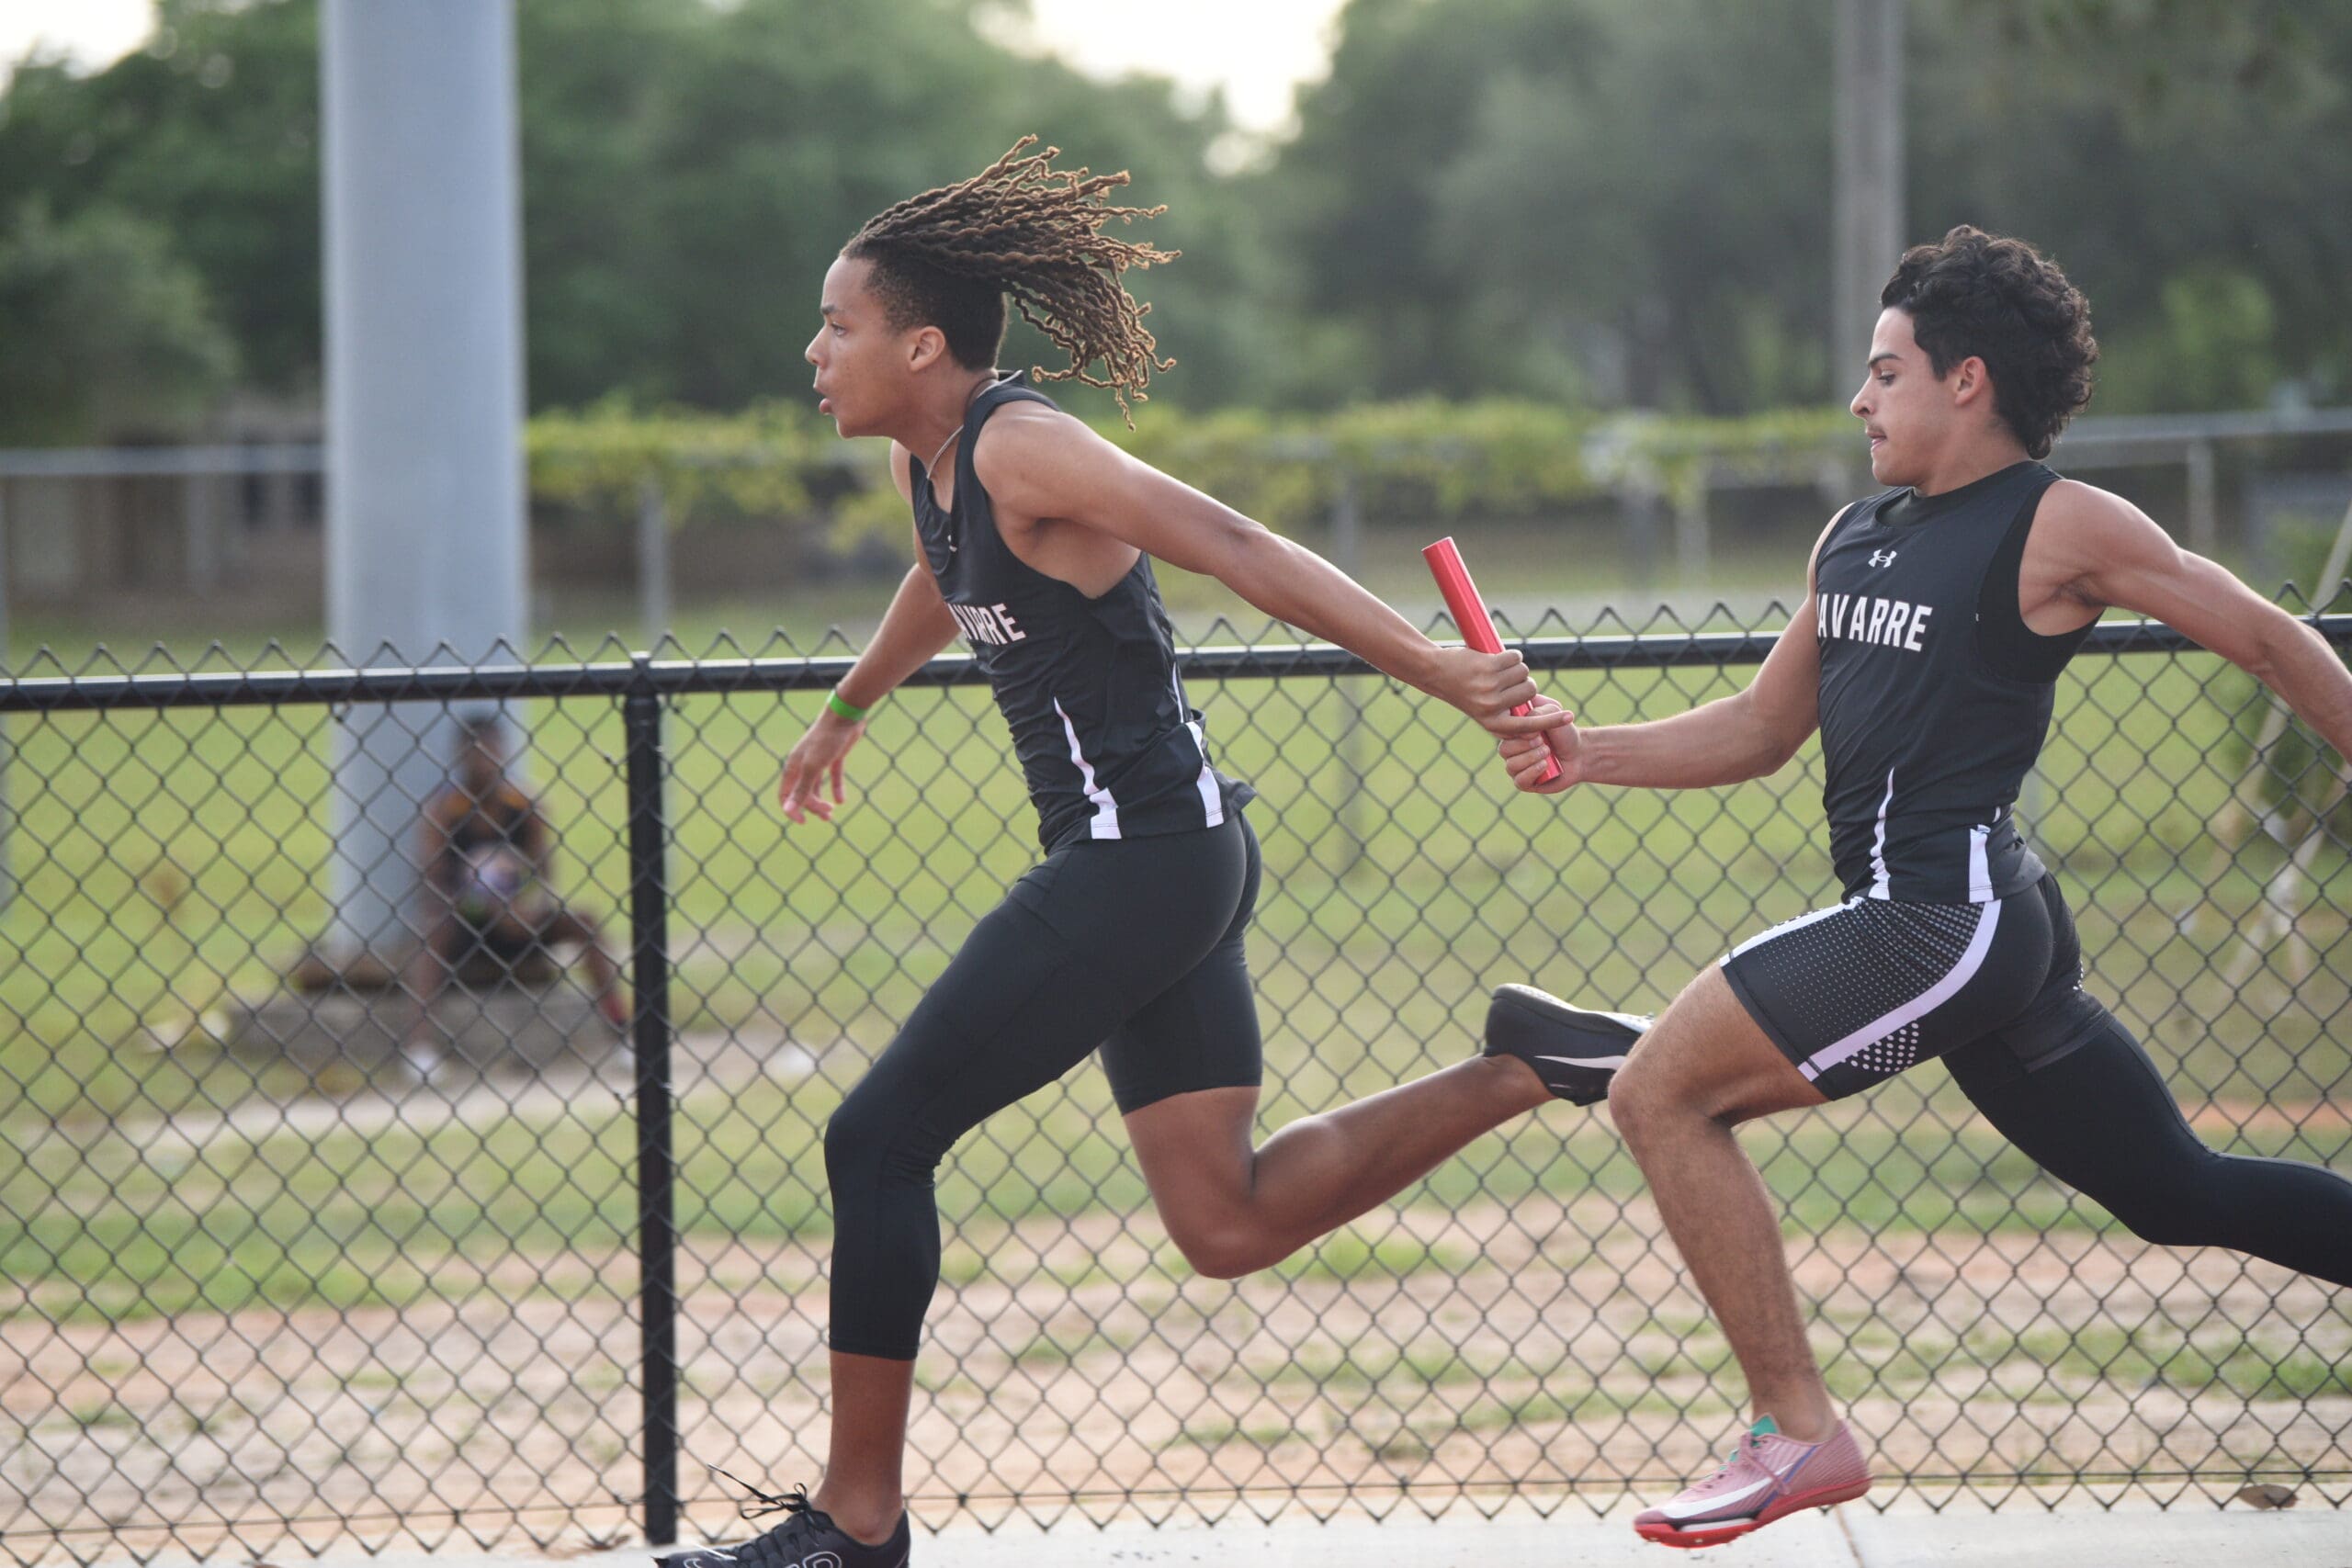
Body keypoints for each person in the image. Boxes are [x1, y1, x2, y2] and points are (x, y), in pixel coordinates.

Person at [651, 139, 1594, 1568]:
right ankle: (1522, 1062)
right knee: (1225, 1217)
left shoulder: (1021, 443)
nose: (813, 349)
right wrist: (847, 708)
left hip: (1136, 860)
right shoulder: (937, 466)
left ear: (920, 343)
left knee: (877, 1135)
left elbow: (1226, 537)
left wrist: (1434, 669)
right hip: (1178, 856)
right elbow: (940, 571)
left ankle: (858, 1522)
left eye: (836, 325)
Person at [1488, 226, 2352, 1550]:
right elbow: (1763, 730)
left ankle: (1795, 1429)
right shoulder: (1859, 533)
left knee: (1663, 1087)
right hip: (1968, 924)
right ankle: (1795, 1428)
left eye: (1886, 371)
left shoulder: (2058, 519)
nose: (1859, 397)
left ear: (1968, 381)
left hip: (1943, 919)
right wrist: (1586, 748)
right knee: (2178, 1190)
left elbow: (2264, 634)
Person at [404, 714, 628, 1076]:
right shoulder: (444, 811)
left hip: (520, 920)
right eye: (476, 755)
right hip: (469, 923)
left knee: (584, 921)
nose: (485, 763)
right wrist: (484, 907)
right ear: (461, 758)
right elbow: (433, 884)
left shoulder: (525, 806)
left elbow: (543, 876)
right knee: (431, 934)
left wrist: (527, 906)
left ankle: (621, 1033)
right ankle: (420, 1050)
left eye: (493, 752)